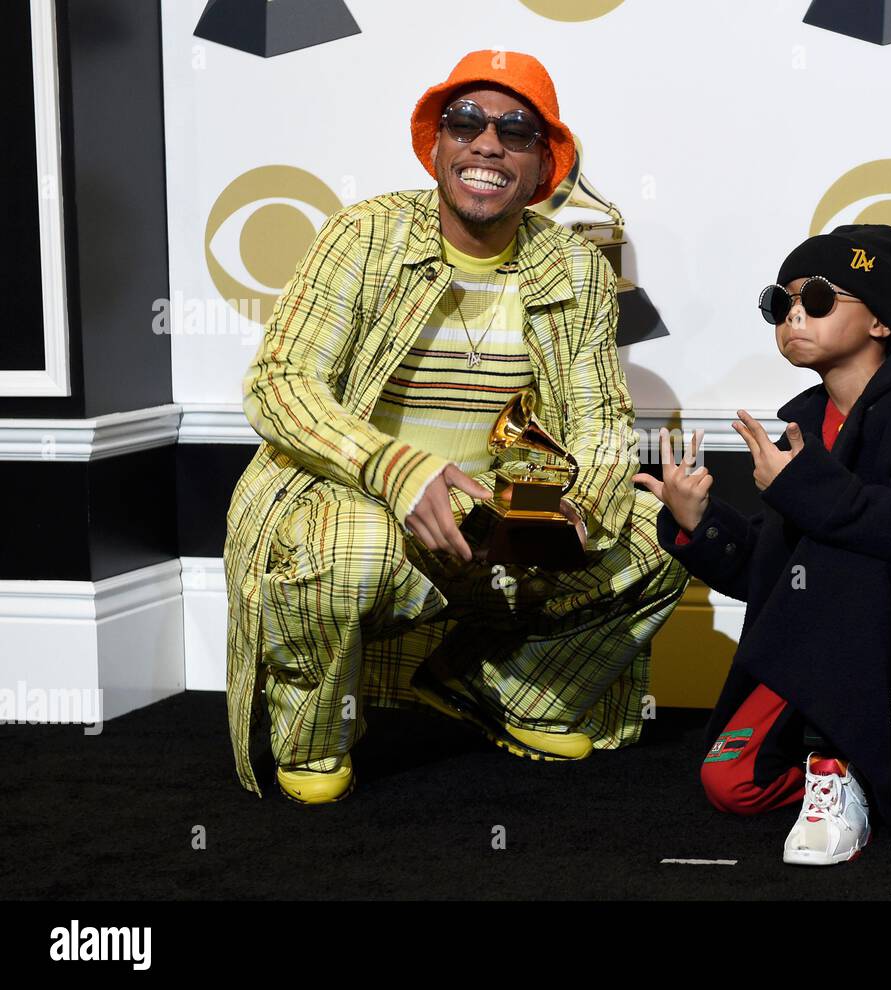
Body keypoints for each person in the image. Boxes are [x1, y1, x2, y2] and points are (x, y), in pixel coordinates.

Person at [224, 49, 689, 804]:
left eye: (515, 131)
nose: (487, 143)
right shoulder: (365, 235)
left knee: (664, 531)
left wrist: (580, 503)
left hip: (491, 527)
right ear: (435, 146)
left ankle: (495, 684)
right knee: (354, 547)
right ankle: (317, 734)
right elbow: (280, 385)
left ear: (544, 167)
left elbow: (601, 417)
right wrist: (397, 471)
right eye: (466, 122)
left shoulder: (574, 269)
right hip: (358, 506)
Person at [635, 224, 891, 864]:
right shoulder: (802, 419)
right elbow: (776, 574)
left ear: (881, 323)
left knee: (844, 547)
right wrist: (701, 522)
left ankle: (843, 761)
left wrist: (804, 487)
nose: (793, 317)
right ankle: (880, 749)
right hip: (829, 631)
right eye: (780, 304)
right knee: (729, 782)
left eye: (818, 300)